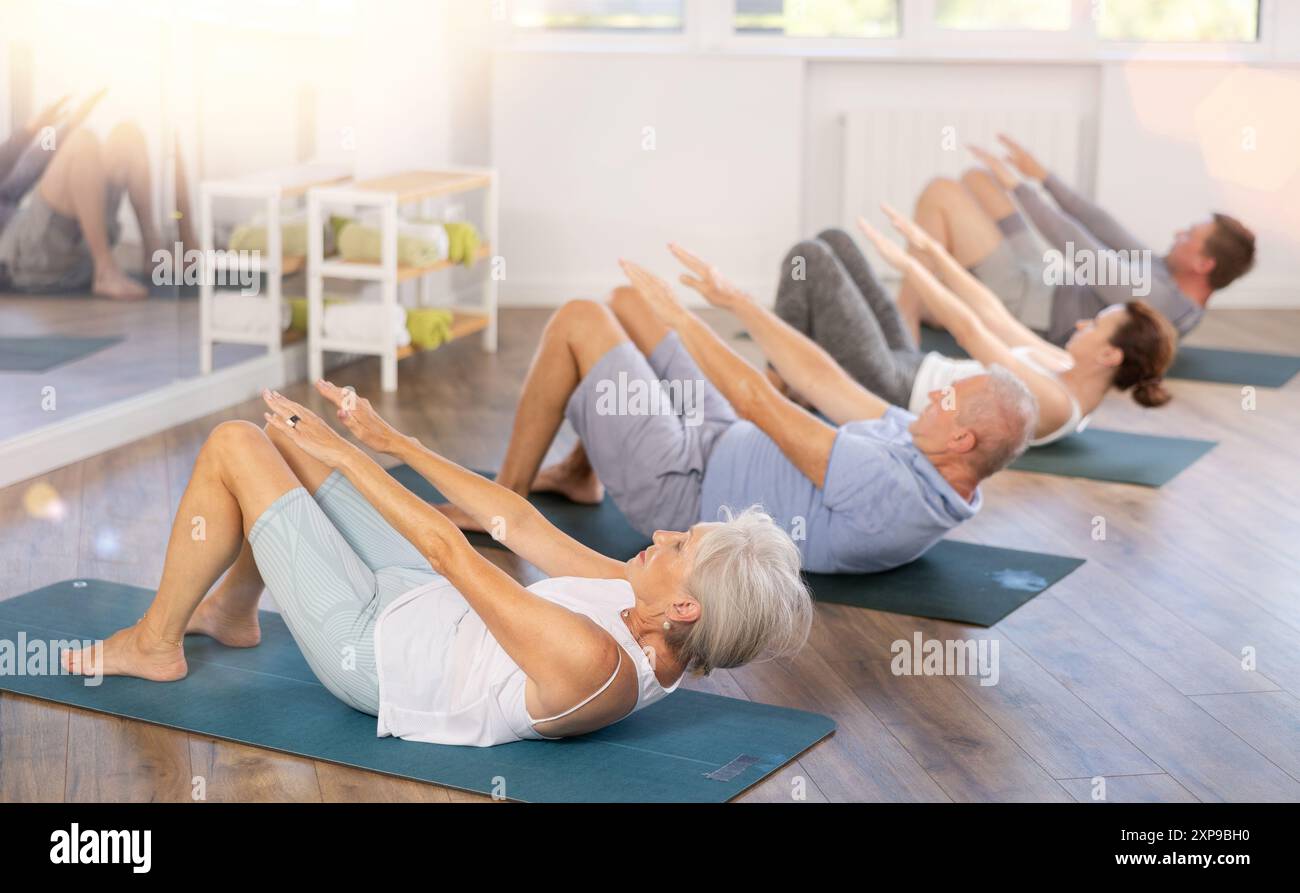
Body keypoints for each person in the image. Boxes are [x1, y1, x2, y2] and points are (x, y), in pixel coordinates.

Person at [61, 381, 812, 747]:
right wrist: (393, 443)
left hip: (379, 649)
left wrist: (346, 454)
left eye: (680, 547)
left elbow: (450, 548)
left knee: (236, 443)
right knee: (288, 438)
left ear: (687, 607)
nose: (661, 531)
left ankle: (156, 644)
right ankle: (231, 612)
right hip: (425, 602)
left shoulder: (596, 665)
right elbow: (515, 522)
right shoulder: (652, 608)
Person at [439, 247, 1038, 575]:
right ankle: (578, 472)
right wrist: (735, 300)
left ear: (962, 440)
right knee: (627, 302)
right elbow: (821, 379)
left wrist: (685, 316)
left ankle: (502, 502)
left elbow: (761, 400)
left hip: (684, 487)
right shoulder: (930, 455)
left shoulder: (889, 489)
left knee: (580, 318)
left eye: (946, 397)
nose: (932, 394)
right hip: (718, 437)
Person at [772, 208, 1177, 448]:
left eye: (1096, 325)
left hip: (892, 387)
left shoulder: (1055, 404)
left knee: (810, 257)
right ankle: (806, 386)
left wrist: (912, 266)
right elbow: (994, 315)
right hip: (915, 363)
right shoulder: (1065, 367)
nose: (1082, 324)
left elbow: (970, 331)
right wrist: (933, 251)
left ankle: (775, 384)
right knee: (835, 240)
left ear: (1110, 355)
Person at [901, 134, 1256, 346]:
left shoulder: (1155, 302)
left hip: (1028, 308)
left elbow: (1078, 247)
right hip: (1043, 281)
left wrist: (1019, 187)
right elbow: (1101, 224)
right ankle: (944, 305)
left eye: (1190, 235)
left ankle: (906, 320)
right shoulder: (1168, 275)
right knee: (978, 178)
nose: (1179, 234)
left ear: (1203, 264)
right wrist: (1042, 174)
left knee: (941, 192)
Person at [0, 89, 162, 299]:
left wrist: (52, 125)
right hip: (26, 260)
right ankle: (105, 272)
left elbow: (30, 167)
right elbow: (29, 167)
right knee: (82, 143)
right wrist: (58, 126)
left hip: (63, 245)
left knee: (127, 136)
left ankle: (154, 256)